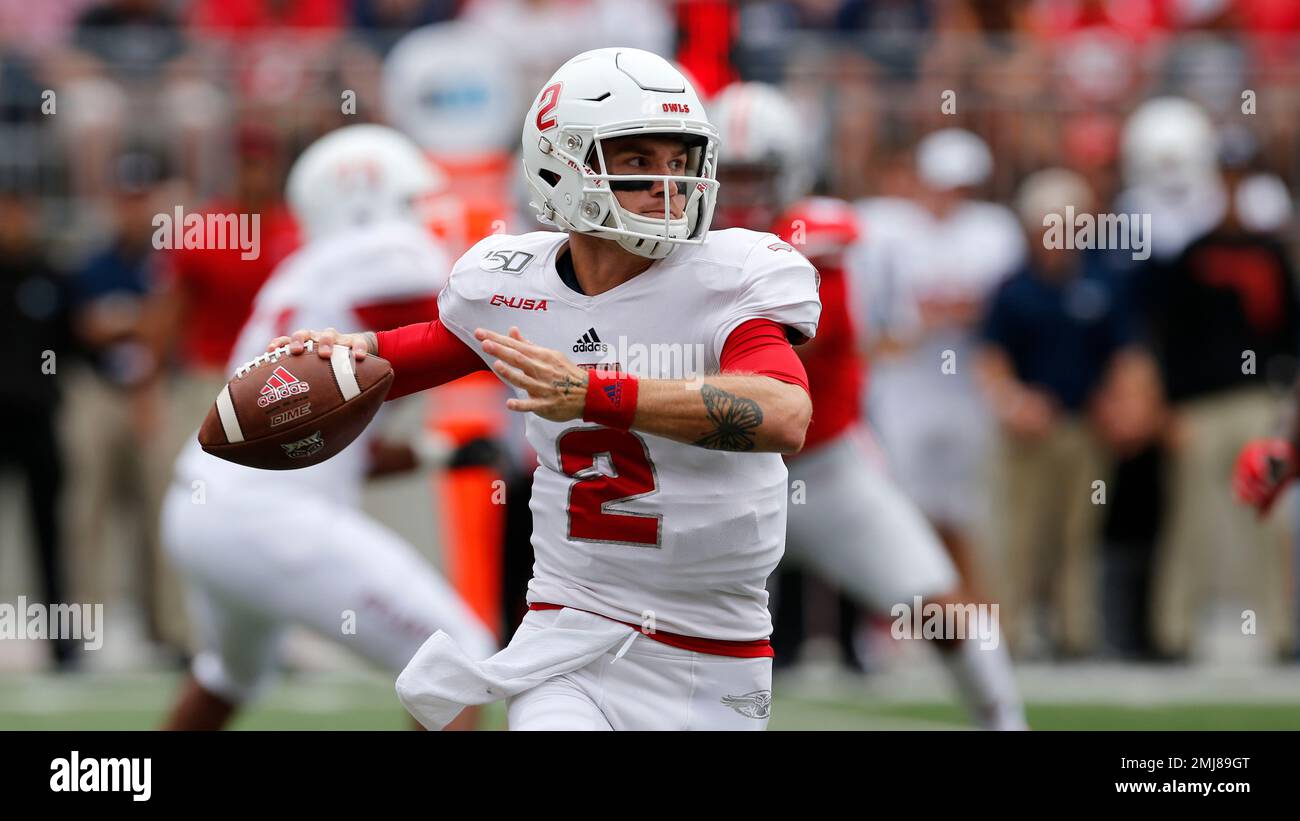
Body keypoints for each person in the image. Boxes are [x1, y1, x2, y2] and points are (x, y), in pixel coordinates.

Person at [271, 48, 820, 731]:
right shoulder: (510, 284)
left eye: (680, 160)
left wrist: (596, 394)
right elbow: (409, 355)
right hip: (570, 631)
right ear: (563, 165)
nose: (669, 184)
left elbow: (785, 414)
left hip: (715, 652)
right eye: (638, 159)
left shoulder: (731, 275)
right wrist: (339, 358)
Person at [711, 81, 1025, 729]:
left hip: (825, 469)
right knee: (678, 636)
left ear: (790, 170)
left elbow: (793, 330)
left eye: (754, 174)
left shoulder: (819, 240)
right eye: (730, 174)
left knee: (937, 608)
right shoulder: (681, 246)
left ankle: (1003, 718)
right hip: (718, 476)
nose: (740, 192)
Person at [161, 125, 496, 730]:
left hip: (204, 507)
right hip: (268, 518)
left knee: (227, 678)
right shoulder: (384, 255)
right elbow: (476, 328)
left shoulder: (305, 275)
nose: (423, 215)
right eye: (412, 200)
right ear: (371, 201)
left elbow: (320, 441)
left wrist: (440, 453)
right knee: (456, 660)